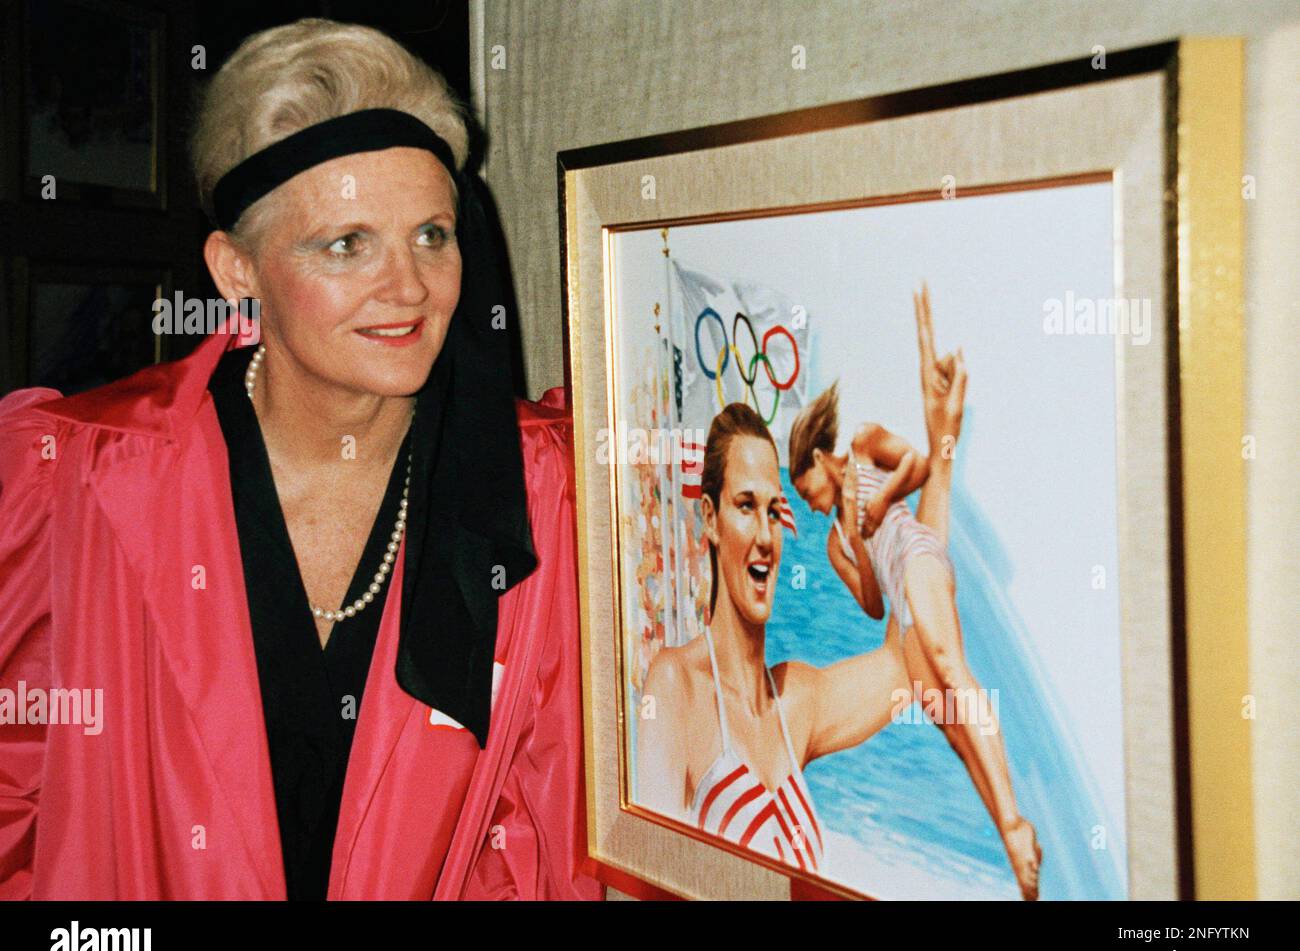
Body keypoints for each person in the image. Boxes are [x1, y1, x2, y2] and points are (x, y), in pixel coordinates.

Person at [0, 18, 600, 901]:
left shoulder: (537, 491)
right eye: (347, 243)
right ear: (236, 270)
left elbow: (543, 843)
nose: (408, 287)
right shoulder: (77, 478)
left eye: (432, 234)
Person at [636, 290, 971, 884]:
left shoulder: (797, 703)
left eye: (775, 510)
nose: (764, 534)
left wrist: (941, 449)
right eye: (745, 506)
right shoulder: (676, 685)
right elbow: (649, 881)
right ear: (710, 521)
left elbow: (905, 658)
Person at [786, 284, 1040, 899]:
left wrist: (875, 503)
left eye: (810, 490)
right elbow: (873, 603)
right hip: (898, 589)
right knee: (948, 721)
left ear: (822, 458)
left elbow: (919, 467)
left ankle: (1012, 821)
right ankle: (1016, 846)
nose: (812, 505)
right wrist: (854, 536)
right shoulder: (833, 539)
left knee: (953, 668)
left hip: (920, 554)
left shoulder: (866, 445)